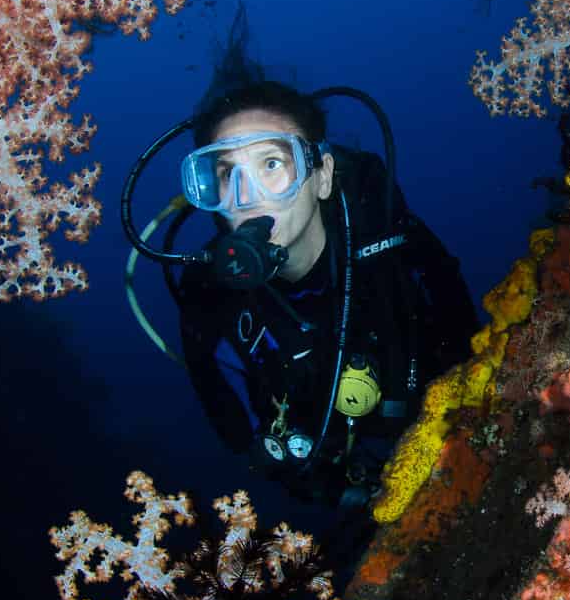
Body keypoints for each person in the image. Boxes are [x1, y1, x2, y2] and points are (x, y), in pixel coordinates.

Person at [166, 80, 479, 537]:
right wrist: (337, 492)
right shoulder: (209, 301)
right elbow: (242, 437)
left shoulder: (387, 242)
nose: (247, 197)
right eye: (227, 174)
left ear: (323, 176)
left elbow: (467, 347)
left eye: (271, 164)